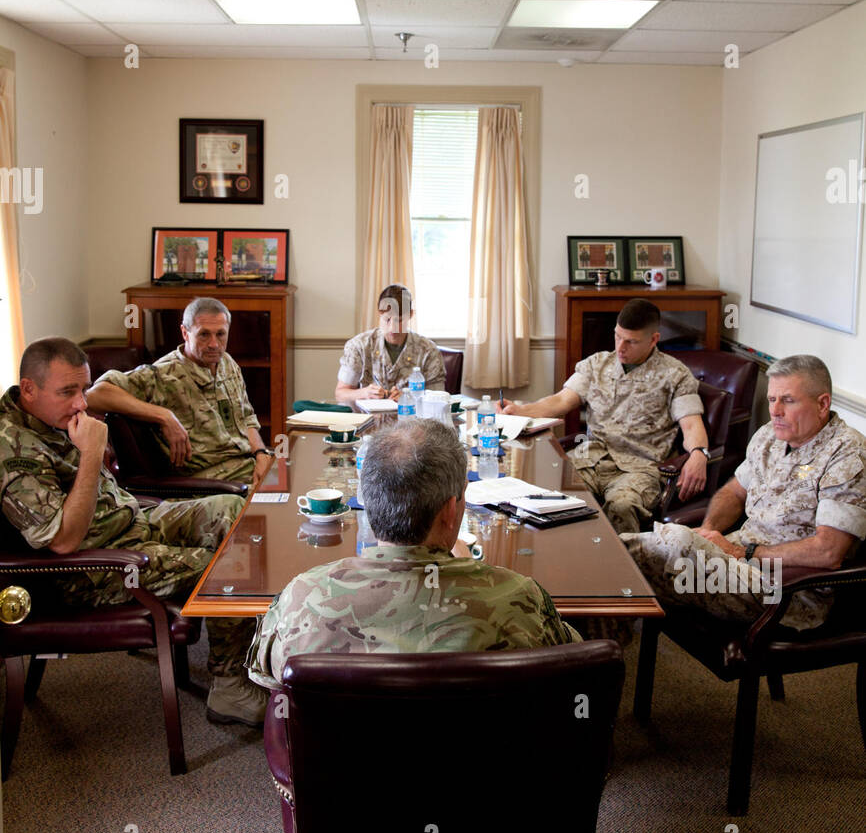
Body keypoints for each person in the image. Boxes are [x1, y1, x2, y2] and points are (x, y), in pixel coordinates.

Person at [0, 337, 267, 726]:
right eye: (67, 392)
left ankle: (250, 656)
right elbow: (63, 540)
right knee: (225, 567)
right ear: (28, 389)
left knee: (233, 512)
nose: (81, 403)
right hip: (89, 570)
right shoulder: (13, 449)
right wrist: (93, 453)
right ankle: (229, 686)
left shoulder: (52, 417)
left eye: (83, 389)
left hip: (132, 525)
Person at [246, 417, 579, 690]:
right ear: (451, 510)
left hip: (341, 766)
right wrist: (467, 568)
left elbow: (266, 673)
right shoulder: (521, 600)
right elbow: (571, 662)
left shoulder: (301, 598)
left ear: (367, 499)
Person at [623, 355, 866, 631]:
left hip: (786, 590)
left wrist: (746, 552)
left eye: (787, 400)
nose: (775, 411)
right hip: (737, 562)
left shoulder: (847, 454)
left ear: (822, 403)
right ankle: (594, 656)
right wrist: (707, 530)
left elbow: (828, 552)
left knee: (660, 548)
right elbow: (734, 494)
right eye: (772, 399)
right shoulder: (769, 436)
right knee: (622, 568)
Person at [500, 299, 709, 534]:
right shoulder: (596, 365)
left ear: (653, 340)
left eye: (631, 341)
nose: (621, 347)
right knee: (546, 491)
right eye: (618, 337)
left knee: (622, 506)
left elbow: (691, 424)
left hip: (640, 467)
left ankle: (624, 568)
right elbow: (561, 401)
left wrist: (699, 453)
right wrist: (519, 410)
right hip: (591, 458)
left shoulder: (675, 375)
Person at [85, 297, 272, 485]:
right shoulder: (162, 374)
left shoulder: (227, 363)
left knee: (297, 480)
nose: (214, 344)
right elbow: (94, 395)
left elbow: (246, 417)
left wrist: (261, 453)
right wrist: (163, 415)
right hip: (213, 482)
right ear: (185, 332)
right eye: (204, 335)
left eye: (220, 334)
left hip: (249, 464)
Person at [335, 283, 446, 405]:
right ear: (379, 314)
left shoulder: (428, 351)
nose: (393, 328)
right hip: (366, 421)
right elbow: (340, 394)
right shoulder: (358, 346)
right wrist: (363, 393)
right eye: (387, 319)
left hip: (413, 421)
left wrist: (410, 397)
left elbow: (438, 399)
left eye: (399, 320)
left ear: (410, 315)